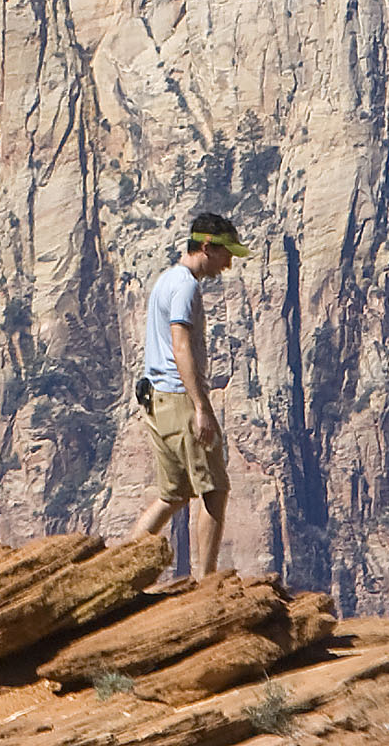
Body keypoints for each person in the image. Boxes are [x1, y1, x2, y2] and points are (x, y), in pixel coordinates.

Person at [132, 210, 248, 576]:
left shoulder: (165, 280)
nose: (228, 263)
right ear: (207, 246)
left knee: (173, 495)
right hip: (179, 398)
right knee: (215, 489)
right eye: (226, 253)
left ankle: (120, 565)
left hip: (156, 399)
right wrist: (200, 406)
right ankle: (206, 581)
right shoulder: (186, 286)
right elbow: (180, 345)